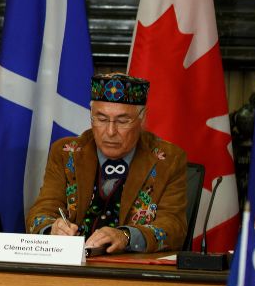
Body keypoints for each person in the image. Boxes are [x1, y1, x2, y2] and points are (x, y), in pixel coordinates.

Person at [26, 73, 188, 254]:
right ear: (91, 117)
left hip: (130, 272)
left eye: (122, 121)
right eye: (102, 119)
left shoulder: (168, 159)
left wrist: (126, 236)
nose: (110, 132)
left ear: (142, 119)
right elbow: (42, 211)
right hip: (71, 267)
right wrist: (51, 229)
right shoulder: (66, 153)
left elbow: (174, 227)